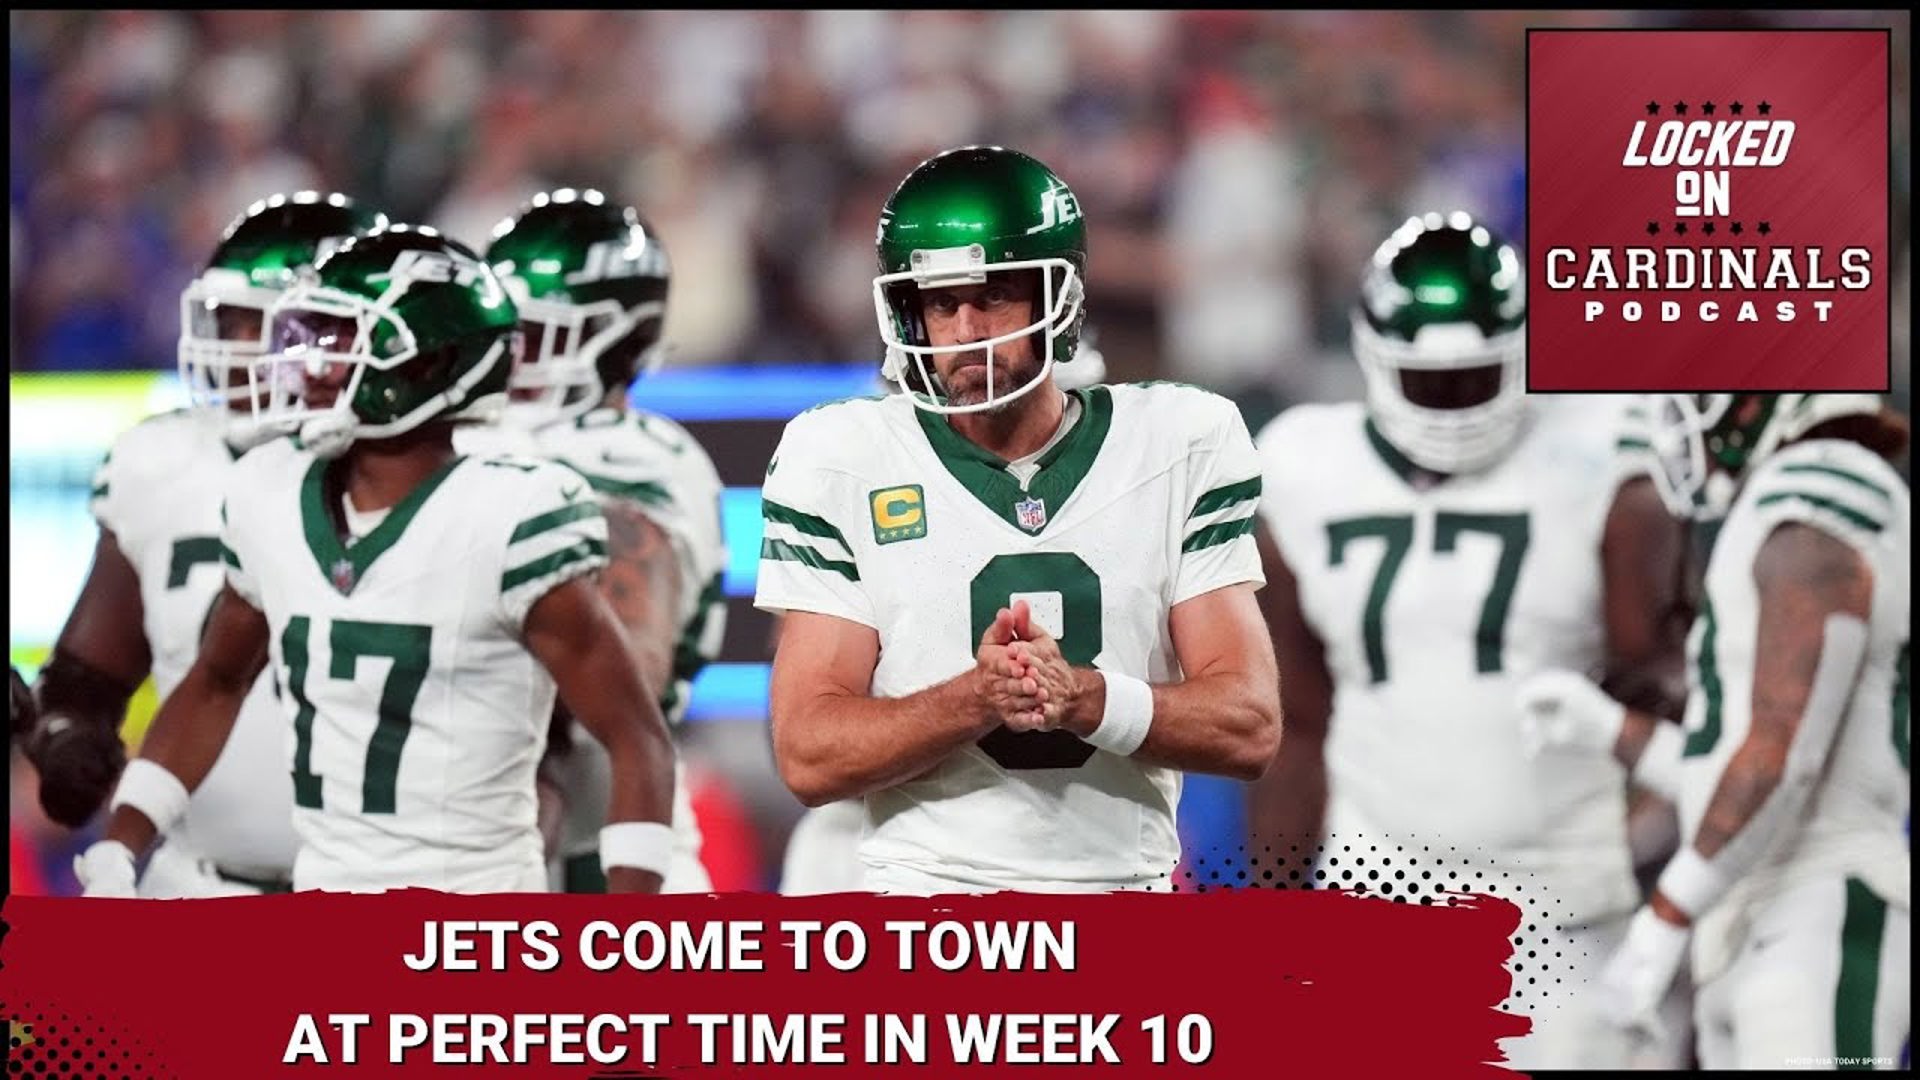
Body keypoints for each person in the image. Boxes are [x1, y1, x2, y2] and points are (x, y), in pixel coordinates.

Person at [74, 224, 678, 895]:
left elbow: (635, 736)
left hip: (470, 930)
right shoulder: (267, 491)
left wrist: (627, 933)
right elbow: (215, 682)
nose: (303, 361)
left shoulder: (513, 514)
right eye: (306, 333)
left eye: (336, 338)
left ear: (424, 363)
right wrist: (122, 840)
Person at [755, 145, 1280, 895]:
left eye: (993, 295)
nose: (965, 329)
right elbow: (810, 754)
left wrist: (1086, 699)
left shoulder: (1176, 441)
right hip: (924, 910)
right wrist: (978, 697)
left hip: (1122, 898)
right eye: (940, 303)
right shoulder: (842, 454)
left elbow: (1249, 724)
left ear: (1056, 300)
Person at [1247, 211, 1689, 1069]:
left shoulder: (1606, 459)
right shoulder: (1303, 469)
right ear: (1373, 360)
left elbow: (1669, 695)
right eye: (1429, 383)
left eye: (1477, 378)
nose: (1454, 406)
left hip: (1563, 917)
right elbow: (1298, 728)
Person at [23, 191, 387, 897]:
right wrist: (65, 740)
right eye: (231, 319)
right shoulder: (160, 466)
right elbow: (86, 684)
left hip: (389, 892)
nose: (235, 346)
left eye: (264, 322)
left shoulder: (439, 475)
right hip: (199, 888)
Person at [1589, 393, 1909, 1069]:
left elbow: (1783, 755)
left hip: (1818, 906)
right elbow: (1729, 767)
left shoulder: (1821, 489)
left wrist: (1667, 913)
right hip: (1755, 916)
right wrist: (1601, 725)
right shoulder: (1774, 502)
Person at [777, 334, 1111, 897]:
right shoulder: (861, 472)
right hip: (884, 844)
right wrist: (977, 698)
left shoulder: (1135, 491)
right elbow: (803, 742)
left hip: (1087, 843)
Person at [473, 187, 728, 893]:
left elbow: (618, 687)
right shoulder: (485, 443)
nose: (509, 352)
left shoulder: (633, 461)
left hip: (610, 845)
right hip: (510, 840)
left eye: (533, 331)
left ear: (615, 334)